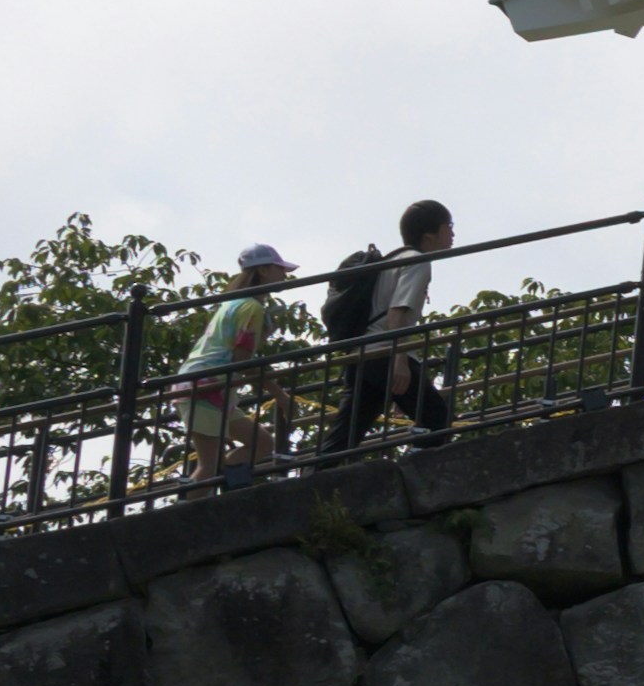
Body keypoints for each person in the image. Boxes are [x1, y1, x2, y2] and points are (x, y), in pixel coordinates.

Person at [320, 199, 459, 458]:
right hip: (385, 353)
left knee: (344, 436)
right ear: (430, 233)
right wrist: (400, 362)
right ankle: (418, 471)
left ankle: (314, 475)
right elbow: (397, 313)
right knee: (437, 417)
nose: (453, 233)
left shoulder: (394, 258)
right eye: (448, 226)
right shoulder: (417, 261)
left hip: (363, 355)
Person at [176, 243, 298, 484]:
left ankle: (227, 483)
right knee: (208, 467)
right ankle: (189, 504)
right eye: (279, 269)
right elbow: (243, 362)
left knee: (262, 443)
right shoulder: (252, 308)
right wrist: (281, 396)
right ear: (263, 270)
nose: (284, 275)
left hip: (208, 386)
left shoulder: (234, 302)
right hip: (207, 387)